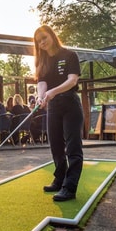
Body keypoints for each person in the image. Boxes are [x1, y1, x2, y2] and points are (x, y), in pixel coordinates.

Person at [35, 25, 84, 201]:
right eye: (39, 41)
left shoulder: (69, 55)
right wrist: (41, 97)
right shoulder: (42, 61)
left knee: (73, 147)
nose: (42, 42)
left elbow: (72, 80)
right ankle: (60, 179)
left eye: (44, 38)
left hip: (70, 103)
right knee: (55, 145)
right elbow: (42, 83)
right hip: (53, 106)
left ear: (52, 36)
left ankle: (69, 187)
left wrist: (53, 92)